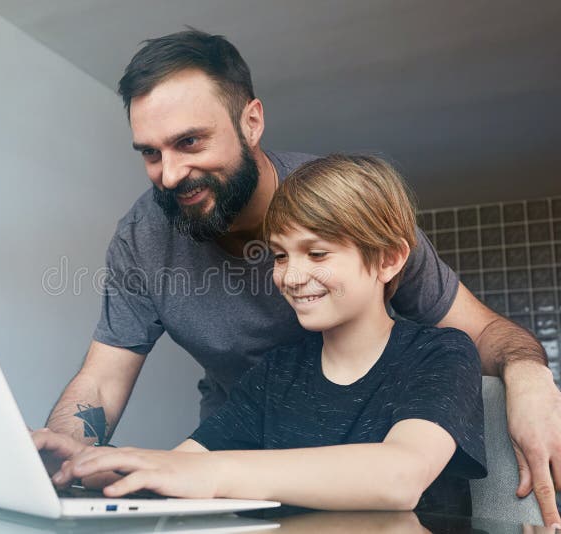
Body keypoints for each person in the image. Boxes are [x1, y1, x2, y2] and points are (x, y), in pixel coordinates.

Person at [34, 29, 561, 527]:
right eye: (149, 154)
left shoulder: (354, 214)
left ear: (251, 121)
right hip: (252, 466)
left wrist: (531, 380)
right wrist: (74, 458)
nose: (170, 174)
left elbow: (405, 462)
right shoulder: (264, 368)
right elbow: (107, 383)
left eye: (190, 142)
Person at [51, 155, 487, 515]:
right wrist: (106, 469)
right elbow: (182, 465)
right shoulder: (276, 373)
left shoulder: (441, 353)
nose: (292, 276)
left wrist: (215, 475)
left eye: (317, 253)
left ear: (389, 259)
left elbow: (400, 476)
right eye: (280, 256)